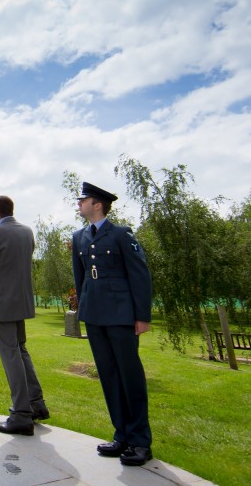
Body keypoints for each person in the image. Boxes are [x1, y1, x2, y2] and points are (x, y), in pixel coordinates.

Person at [73, 182, 154, 466]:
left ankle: (140, 441)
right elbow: (80, 278)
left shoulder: (121, 235)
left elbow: (140, 276)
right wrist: (83, 311)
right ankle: (121, 435)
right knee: (108, 375)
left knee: (129, 375)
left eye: (82, 200)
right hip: (95, 316)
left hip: (121, 316)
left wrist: (142, 316)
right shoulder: (79, 236)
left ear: (97, 204)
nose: (78, 204)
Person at [0, 195, 48, 436]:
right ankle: (36, 404)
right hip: (20, 300)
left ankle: (21, 414)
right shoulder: (27, 232)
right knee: (21, 350)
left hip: (1, 302)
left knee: (10, 354)